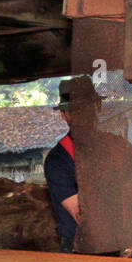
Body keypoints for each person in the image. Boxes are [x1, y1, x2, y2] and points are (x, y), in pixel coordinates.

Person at [44, 79, 81, 252]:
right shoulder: (58, 160)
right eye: (75, 110)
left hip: (119, 245)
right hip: (79, 247)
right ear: (64, 115)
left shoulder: (113, 147)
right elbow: (82, 214)